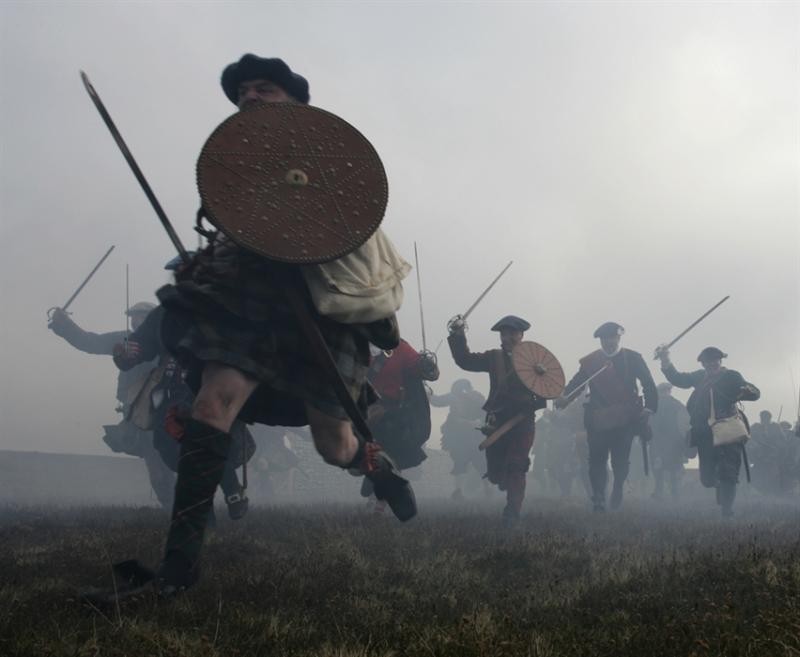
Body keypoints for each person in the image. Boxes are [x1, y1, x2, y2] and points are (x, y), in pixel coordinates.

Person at [144, 54, 414, 596]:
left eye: (263, 89)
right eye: (242, 91)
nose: (249, 97)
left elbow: (351, 229)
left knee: (334, 444)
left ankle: (374, 466)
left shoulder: (327, 163)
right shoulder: (236, 166)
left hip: (322, 305)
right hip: (251, 298)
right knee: (211, 405)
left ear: (294, 102)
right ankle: (177, 570)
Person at [48, 302, 175, 506]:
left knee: (167, 462)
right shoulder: (123, 340)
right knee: (156, 469)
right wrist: (65, 325)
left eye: (142, 317)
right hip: (136, 412)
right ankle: (172, 509)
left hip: (164, 410)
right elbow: (90, 342)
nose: (136, 321)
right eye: (133, 317)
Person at [447, 314, 546, 526]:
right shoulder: (494, 358)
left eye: (513, 334)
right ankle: (505, 481)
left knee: (517, 465)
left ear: (522, 335)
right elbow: (465, 360)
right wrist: (457, 334)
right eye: (504, 334)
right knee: (496, 473)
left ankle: (512, 512)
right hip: (497, 421)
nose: (508, 338)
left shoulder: (536, 362)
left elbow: (546, 391)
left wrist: (535, 402)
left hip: (523, 422)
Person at [557, 322, 658, 512]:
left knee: (620, 461)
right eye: (605, 339)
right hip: (598, 418)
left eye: (612, 338)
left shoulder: (633, 358)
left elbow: (648, 384)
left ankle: (618, 487)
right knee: (596, 460)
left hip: (625, 419)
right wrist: (565, 397)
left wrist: (649, 408)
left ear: (619, 338)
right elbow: (578, 383)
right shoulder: (591, 362)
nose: (609, 342)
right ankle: (599, 498)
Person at [658, 346, 759, 516]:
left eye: (714, 360)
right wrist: (665, 359)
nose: (711, 364)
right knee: (707, 478)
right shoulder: (699, 376)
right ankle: (720, 485)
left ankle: (727, 511)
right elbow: (678, 379)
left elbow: (754, 393)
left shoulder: (732, 376)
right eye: (707, 361)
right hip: (704, 433)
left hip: (728, 429)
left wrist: (746, 391)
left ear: (720, 360)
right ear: (703, 364)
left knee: (729, 472)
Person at [363, 339, 439, 512]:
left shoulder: (399, 347)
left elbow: (423, 371)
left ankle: (379, 500)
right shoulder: (351, 344)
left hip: (390, 413)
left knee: (391, 455)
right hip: (361, 409)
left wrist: (425, 365)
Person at [429, 379, 487, 499]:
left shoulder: (475, 398)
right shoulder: (473, 397)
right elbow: (436, 401)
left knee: (475, 463)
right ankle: (461, 490)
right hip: (462, 437)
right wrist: (427, 392)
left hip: (470, 436)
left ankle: (483, 489)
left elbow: (436, 401)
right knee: (465, 463)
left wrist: (476, 422)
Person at [650, 382, 690, 501]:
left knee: (658, 468)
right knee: (674, 469)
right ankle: (675, 494)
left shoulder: (654, 405)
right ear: (669, 391)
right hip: (675, 442)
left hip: (658, 442)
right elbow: (685, 423)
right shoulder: (678, 404)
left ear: (659, 392)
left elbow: (650, 423)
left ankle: (659, 492)